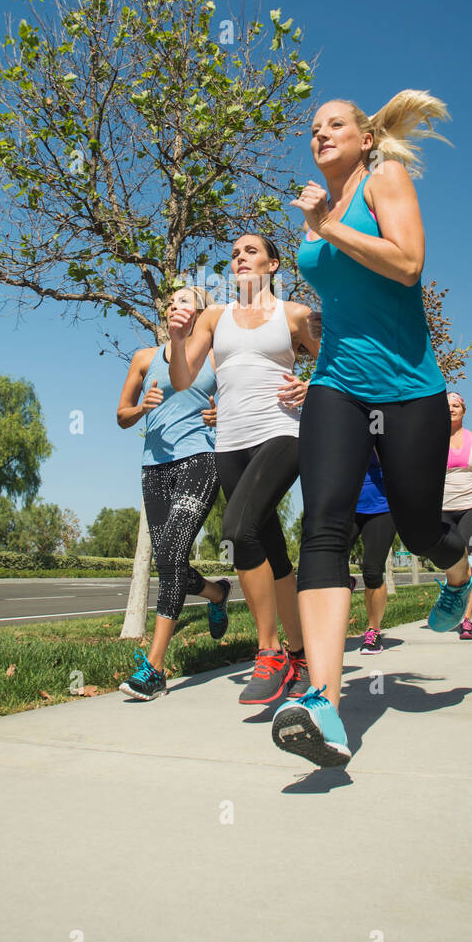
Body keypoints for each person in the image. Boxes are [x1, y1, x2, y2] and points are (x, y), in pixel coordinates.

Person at [271, 92, 472, 768]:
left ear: (365, 139)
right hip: (337, 384)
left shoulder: (382, 179)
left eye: (334, 125)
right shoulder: (311, 218)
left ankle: (456, 575)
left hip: (410, 388)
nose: (319, 134)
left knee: (418, 528)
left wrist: (328, 225)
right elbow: (338, 302)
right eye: (312, 129)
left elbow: (407, 263)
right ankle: (325, 705)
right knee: (323, 522)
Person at [168, 234, 320, 705]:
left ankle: (269, 651)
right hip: (229, 443)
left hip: (282, 434)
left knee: (236, 529)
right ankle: (300, 656)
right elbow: (181, 379)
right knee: (270, 549)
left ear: (273, 263)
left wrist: (312, 388)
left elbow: (342, 361)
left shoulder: (294, 314)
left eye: (250, 252)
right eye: (233, 254)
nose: (239, 259)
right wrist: (177, 338)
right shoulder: (214, 318)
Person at [115, 286, 229, 700]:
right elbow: (121, 416)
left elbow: (236, 400)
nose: (174, 305)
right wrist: (142, 408)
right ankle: (217, 592)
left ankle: (155, 667)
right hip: (154, 467)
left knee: (173, 555)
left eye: (185, 300)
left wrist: (222, 411)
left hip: (200, 458)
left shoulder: (215, 355)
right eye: (171, 301)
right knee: (168, 559)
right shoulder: (144, 358)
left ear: (200, 313)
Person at [442, 391, 472, 640]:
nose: (451, 409)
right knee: (451, 561)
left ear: (464, 410)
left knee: (467, 559)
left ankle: (467, 620)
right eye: (446, 405)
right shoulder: (431, 439)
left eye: (456, 405)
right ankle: (451, 600)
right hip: (442, 508)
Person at [351, 450, 396, 654]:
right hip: (346, 505)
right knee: (329, 564)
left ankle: (373, 631)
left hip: (381, 507)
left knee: (372, 569)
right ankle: (345, 582)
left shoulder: (385, 423)